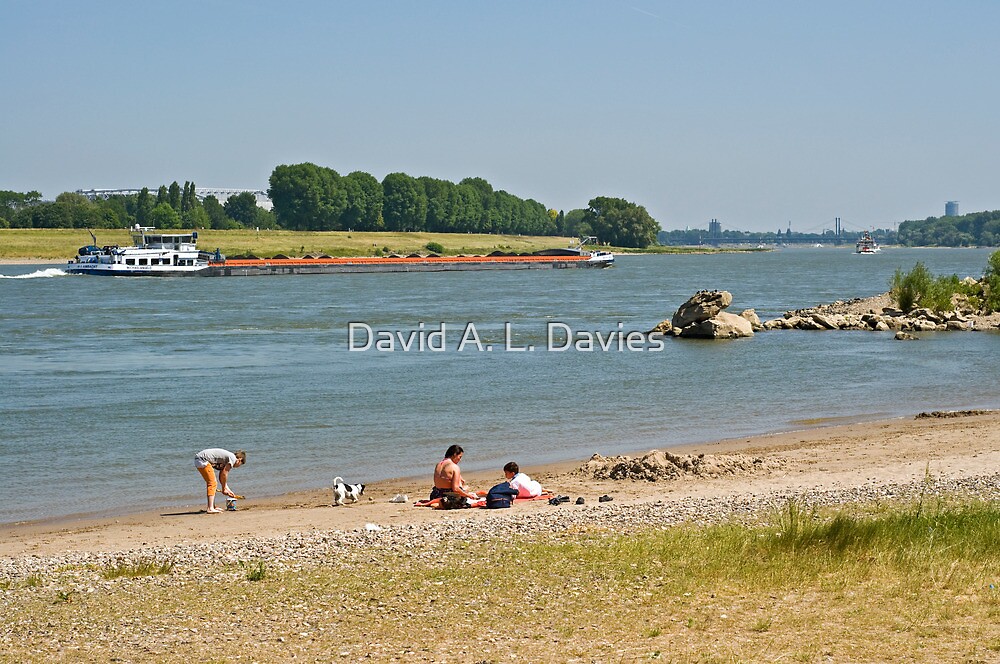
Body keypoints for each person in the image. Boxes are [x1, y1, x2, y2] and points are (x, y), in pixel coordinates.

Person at [194, 448, 246, 514]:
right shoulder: (233, 459)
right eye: (241, 464)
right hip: (202, 460)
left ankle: (212, 506)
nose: (238, 466)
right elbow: (225, 473)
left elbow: (222, 475)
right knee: (212, 483)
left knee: (212, 483)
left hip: (199, 460)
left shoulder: (227, 459)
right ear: (240, 459)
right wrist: (224, 489)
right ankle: (210, 508)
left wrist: (227, 489)